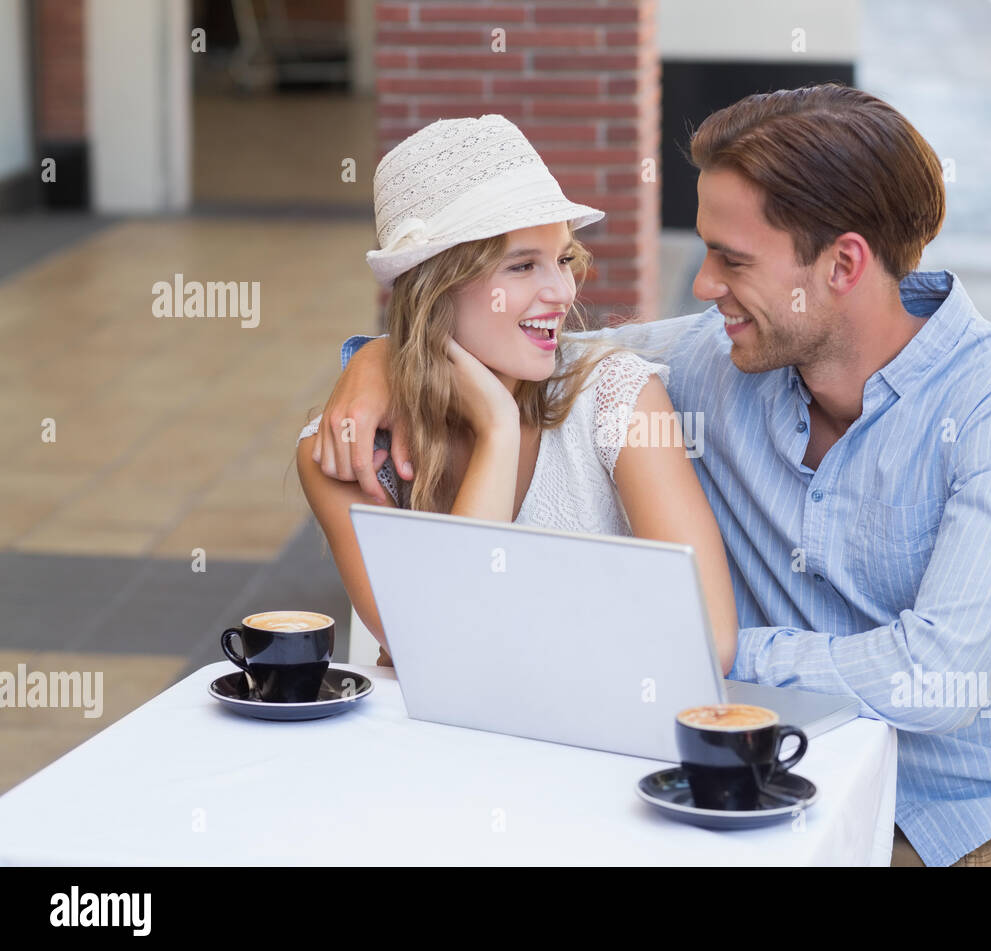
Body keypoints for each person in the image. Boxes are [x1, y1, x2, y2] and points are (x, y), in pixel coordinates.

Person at [310, 84, 991, 867]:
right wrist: (380, 354)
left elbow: (936, 678)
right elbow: (540, 356)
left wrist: (682, 645)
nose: (704, 286)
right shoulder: (724, 357)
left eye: (730, 259)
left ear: (843, 266)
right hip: (791, 801)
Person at [295, 114, 738, 675]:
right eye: (523, 265)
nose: (562, 291)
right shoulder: (342, 451)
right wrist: (497, 432)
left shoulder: (619, 401)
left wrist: (494, 636)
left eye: (563, 259)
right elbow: (440, 651)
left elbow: (709, 641)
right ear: (436, 288)